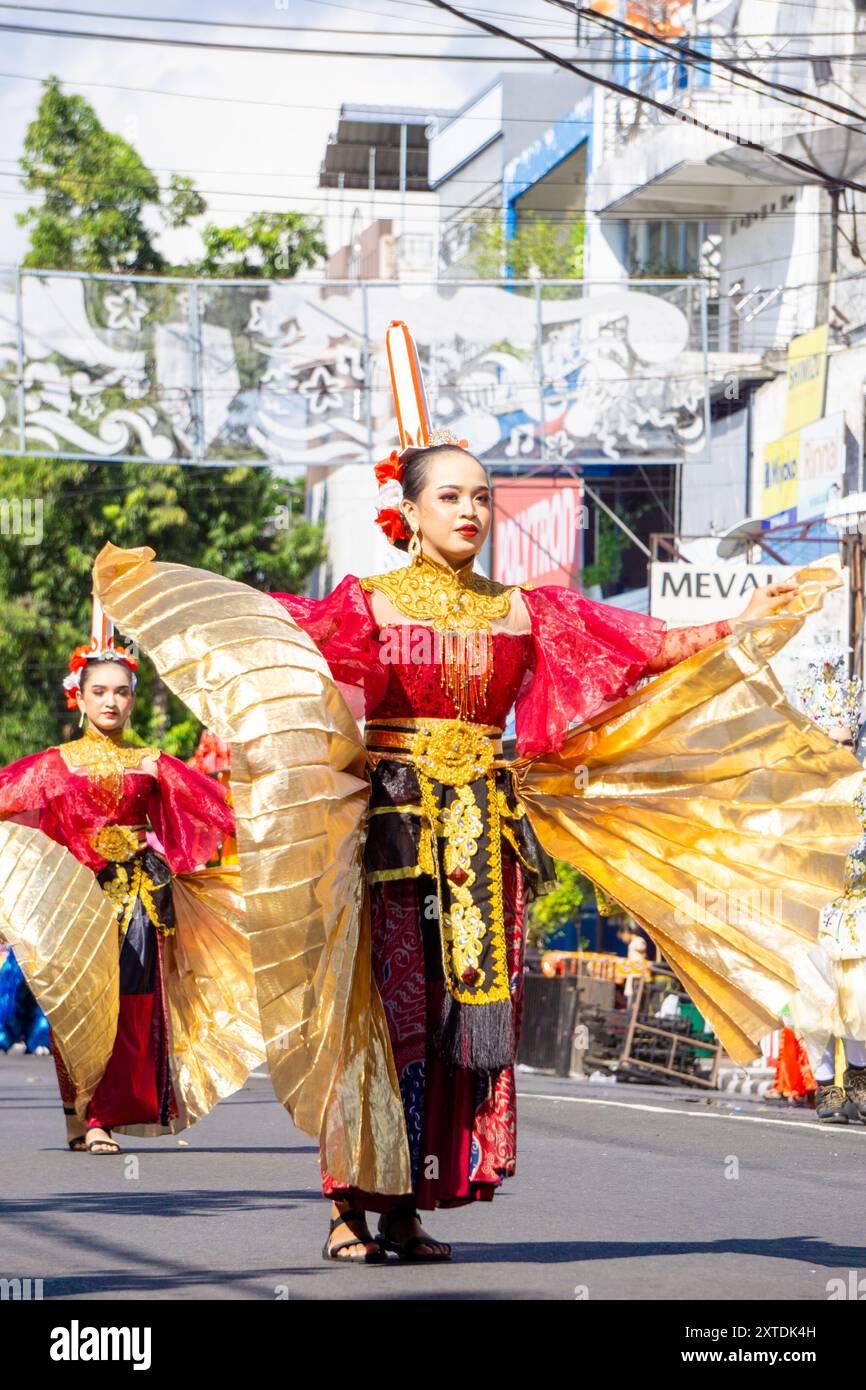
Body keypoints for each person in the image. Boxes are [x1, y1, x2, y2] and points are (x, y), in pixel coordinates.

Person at [86, 322, 862, 1265]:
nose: (472, 510)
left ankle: (410, 1206)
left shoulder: (526, 608)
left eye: (482, 497)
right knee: (380, 1015)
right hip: (385, 838)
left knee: (459, 1027)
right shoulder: (365, 605)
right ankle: (346, 1203)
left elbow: (640, 647)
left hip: (484, 840)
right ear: (406, 512)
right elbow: (276, 657)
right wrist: (172, 600)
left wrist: (733, 623)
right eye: (450, 495)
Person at [0, 621, 265, 1153]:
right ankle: (81, 1115)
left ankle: (101, 1115)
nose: (112, 701)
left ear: (133, 700)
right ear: (79, 696)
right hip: (71, 901)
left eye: (122, 692)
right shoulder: (52, 766)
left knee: (130, 1003)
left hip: (138, 897)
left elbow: (221, 810)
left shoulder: (151, 762)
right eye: (100, 691)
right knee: (76, 1003)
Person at [788, 652, 866, 1124]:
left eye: (849, 741)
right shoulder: (799, 789)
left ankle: (858, 1083)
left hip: (859, 911)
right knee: (816, 1003)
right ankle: (825, 1089)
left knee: (859, 998)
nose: (843, 750)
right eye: (834, 742)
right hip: (811, 908)